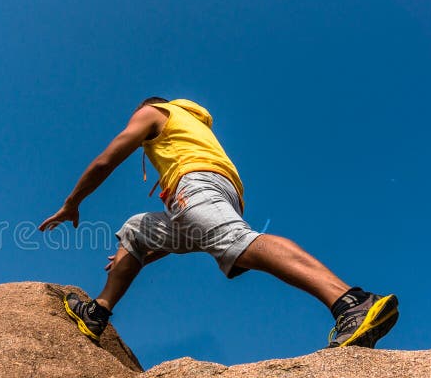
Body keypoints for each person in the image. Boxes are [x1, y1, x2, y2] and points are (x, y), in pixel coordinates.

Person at [38, 97, 398, 348]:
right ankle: (97, 312)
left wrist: (72, 203)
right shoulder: (192, 126)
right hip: (216, 189)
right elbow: (186, 232)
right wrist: (143, 255)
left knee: (238, 241)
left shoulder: (154, 112)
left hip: (194, 185)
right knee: (137, 230)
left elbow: (107, 159)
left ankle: (350, 302)